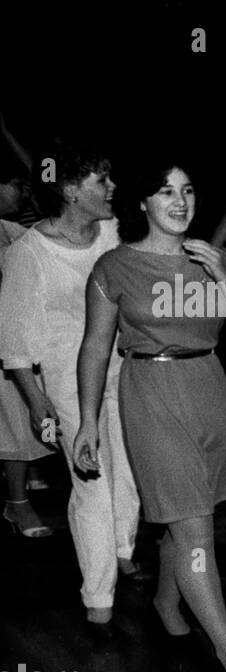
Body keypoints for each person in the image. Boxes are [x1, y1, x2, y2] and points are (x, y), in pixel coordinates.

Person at [73, 159, 226, 672]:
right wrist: (87, 421)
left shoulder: (213, 259)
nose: (178, 202)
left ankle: (165, 599)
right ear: (142, 203)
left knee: (190, 513)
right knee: (194, 526)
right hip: (151, 392)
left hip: (210, 386)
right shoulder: (114, 267)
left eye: (186, 191)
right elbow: (93, 347)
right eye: (163, 192)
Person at [0, 140, 142, 634]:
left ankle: (123, 552)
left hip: (125, 370)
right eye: (101, 179)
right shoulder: (29, 254)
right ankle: (98, 594)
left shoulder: (114, 233)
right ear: (69, 190)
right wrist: (40, 407)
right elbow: (16, 345)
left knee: (127, 471)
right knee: (93, 483)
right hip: (66, 383)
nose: (112, 187)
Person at [1, 161, 54, 538]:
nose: (22, 193)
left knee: (18, 418)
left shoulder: (17, 234)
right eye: (15, 185)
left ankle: (17, 501)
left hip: (12, 339)